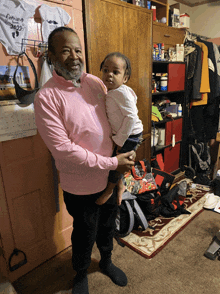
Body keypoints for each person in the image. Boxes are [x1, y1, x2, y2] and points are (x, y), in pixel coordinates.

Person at [34, 27, 135, 294]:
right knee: (84, 232)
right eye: (66, 50)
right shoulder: (46, 97)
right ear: (52, 56)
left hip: (110, 178)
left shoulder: (96, 83)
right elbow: (63, 149)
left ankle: (106, 261)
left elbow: (115, 125)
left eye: (78, 49)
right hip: (80, 186)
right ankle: (80, 272)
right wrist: (112, 164)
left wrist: (120, 170)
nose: (74, 56)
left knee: (107, 225)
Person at [95, 52, 143, 206]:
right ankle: (121, 184)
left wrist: (120, 140)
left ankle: (110, 189)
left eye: (115, 72)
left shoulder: (120, 93)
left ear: (125, 78)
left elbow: (131, 117)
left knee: (118, 163)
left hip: (130, 134)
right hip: (127, 134)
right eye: (106, 70)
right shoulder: (116, 91)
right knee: (119, 160)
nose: (109, 75)